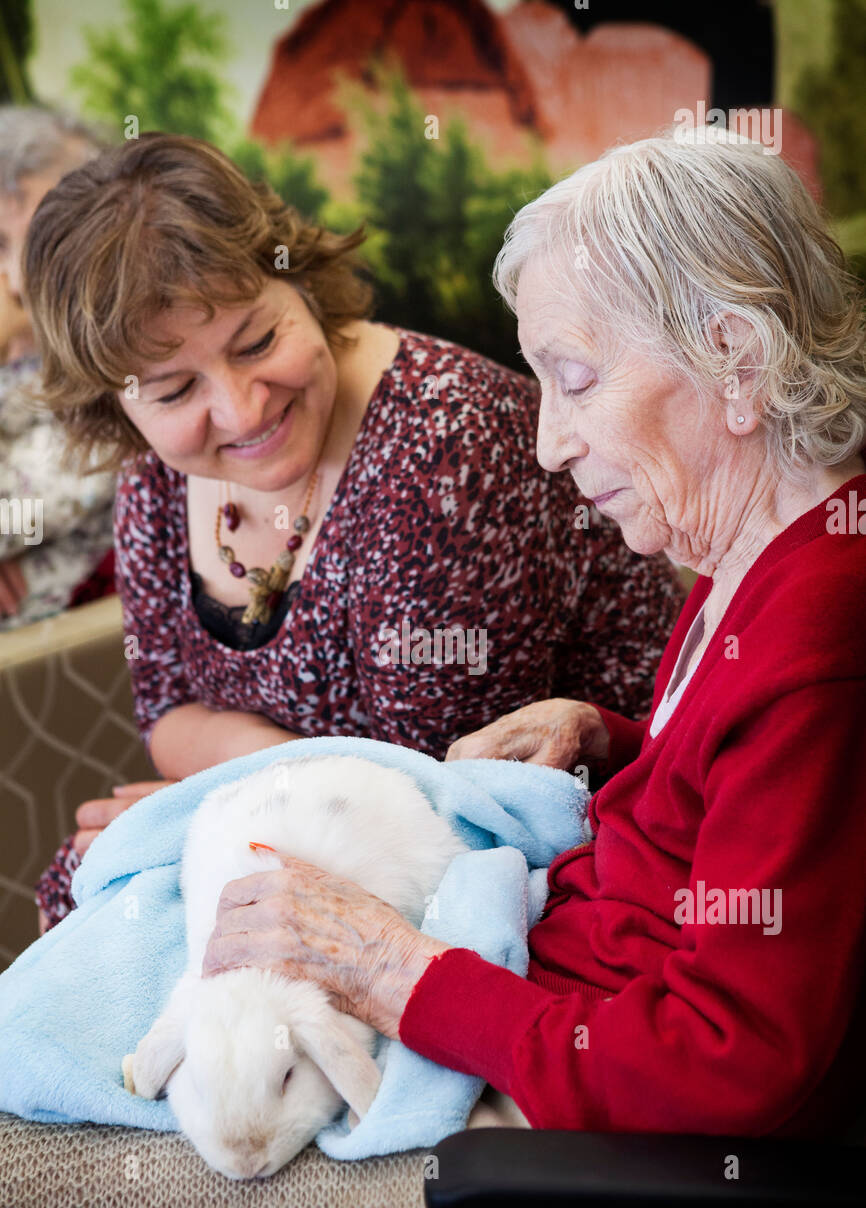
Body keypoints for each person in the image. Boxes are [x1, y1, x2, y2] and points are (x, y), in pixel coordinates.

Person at [196, 125, 866, 1148]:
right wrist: (610, 737)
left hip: (585, 1092)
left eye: (576, 378)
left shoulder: (820, 632)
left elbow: (728, 1062)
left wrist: (396, 974)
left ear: (732, 357)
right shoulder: (759, 550)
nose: (549, 443)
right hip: (549, 979)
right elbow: (737, 803)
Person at [24, 132, 683, 934]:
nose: (240, 407)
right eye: (171, 389)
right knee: (83, 889)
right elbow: (166, 709)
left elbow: (446, 791)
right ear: (114, 404)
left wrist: (226, 801)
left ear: (298, 280)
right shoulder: (153, 470)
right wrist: (253, 795)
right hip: (317, 831)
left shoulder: (445, 449)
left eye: (259, 342)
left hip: (551, 861)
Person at [0, 105, 116, 628]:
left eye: (51, 229)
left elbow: (17, 515)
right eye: (1, 243)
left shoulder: (108, 374)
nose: (20, 265)